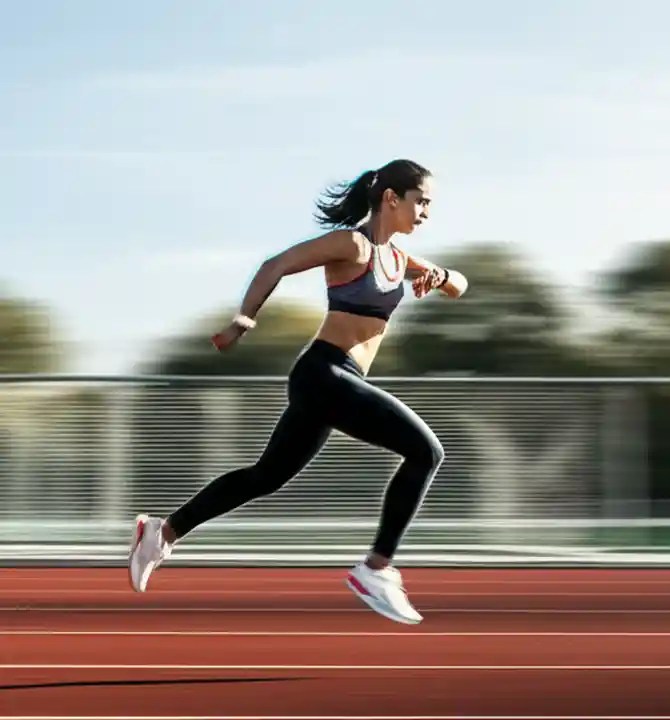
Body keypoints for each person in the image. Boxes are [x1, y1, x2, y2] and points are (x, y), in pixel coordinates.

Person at [127, 158, 468, 625]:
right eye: (421, 201)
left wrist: (442, 277)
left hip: (339, 379)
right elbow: (278, 264)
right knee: (426, 451)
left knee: (265, 477)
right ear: (391, 198)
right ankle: (377, 568)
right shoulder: (354, 244)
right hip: (324, 373)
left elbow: (459, 285)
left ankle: (161, 532)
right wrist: (243, 319)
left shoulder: (398, 259)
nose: (427, 211)